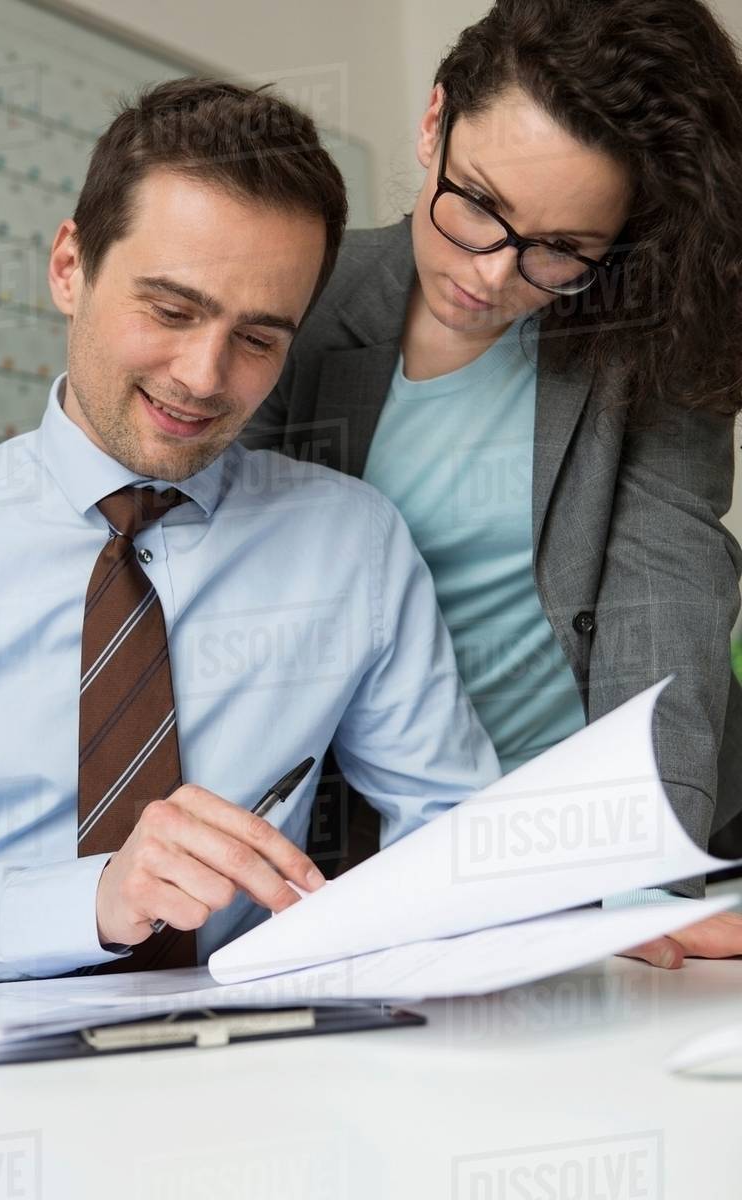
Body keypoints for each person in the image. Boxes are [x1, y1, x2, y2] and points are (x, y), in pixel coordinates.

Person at [0, 80, 500, 984]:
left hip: (251, 1058)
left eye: (260, 338)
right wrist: (91, 901)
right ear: (69, 268)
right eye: (170, 310)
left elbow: (455, 835)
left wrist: (604, 904)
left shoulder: (350, 543)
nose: (203, 377)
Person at [243, 0, 742, 969]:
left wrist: (638, 880)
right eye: (476, 203)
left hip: (597, 846)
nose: (489, 271)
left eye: (558, 247)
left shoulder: (643, 339)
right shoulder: (302, 297)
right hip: (381, 863)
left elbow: (664, 599)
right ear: (433, 124)